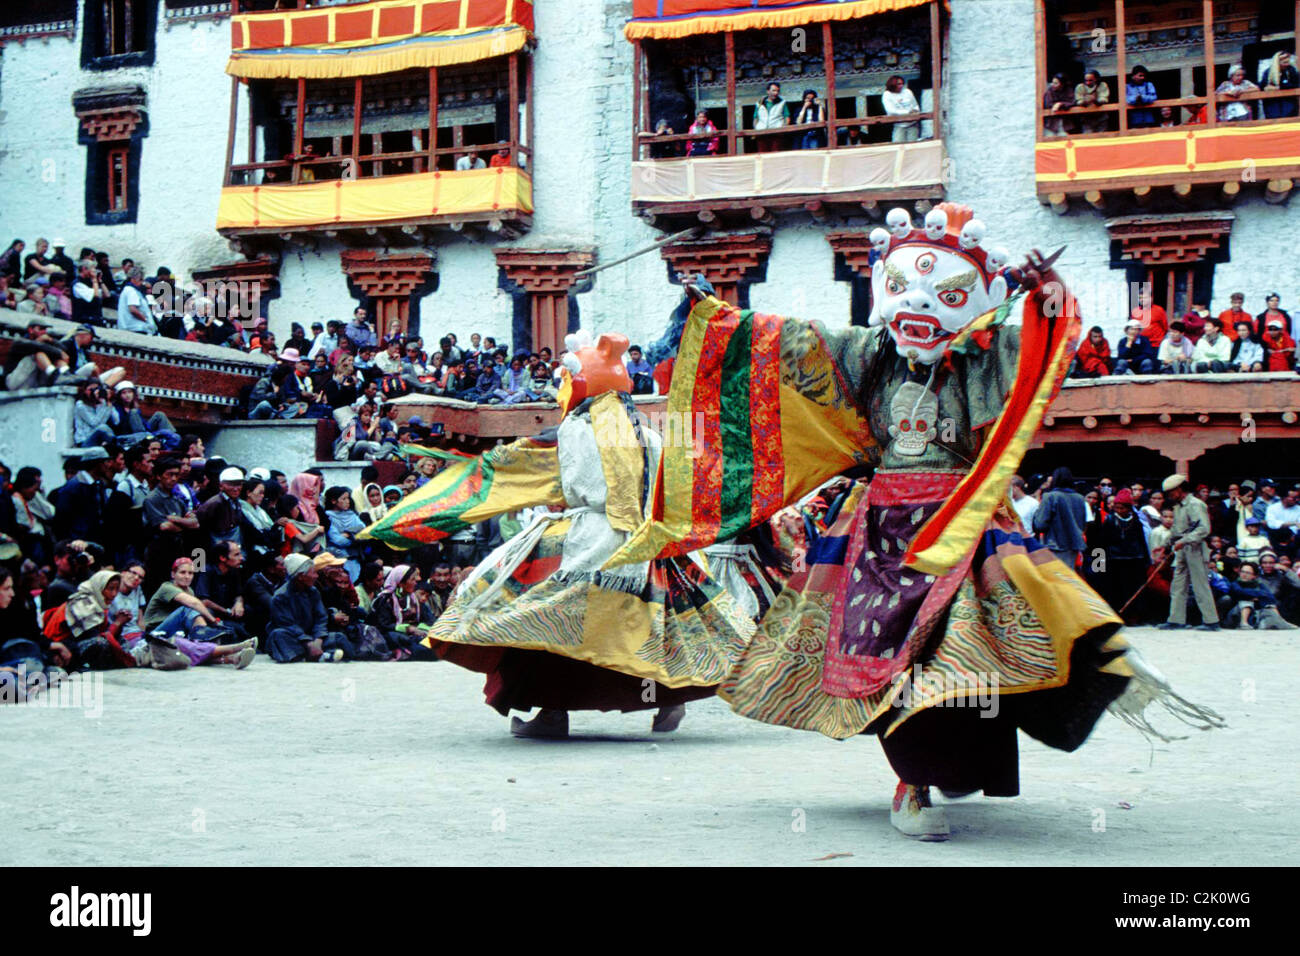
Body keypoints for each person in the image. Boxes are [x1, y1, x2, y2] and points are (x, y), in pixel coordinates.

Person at [364, 328, 756, 740]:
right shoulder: (651, 432)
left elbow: (570, 483)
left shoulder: (576, 428)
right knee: (648, 622)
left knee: (549, 621)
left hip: (592, 537)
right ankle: (667, 699)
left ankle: (552, 713)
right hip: (647, 540)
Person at [266, 553, 355, 663]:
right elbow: (288, 625)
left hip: (314, 637)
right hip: (295, 638)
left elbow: (321, 618)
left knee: (339, 637)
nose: (316, 576)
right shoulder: (280, 597)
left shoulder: (313, 591)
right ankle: (318, 655)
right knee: (278, 635)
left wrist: (318, 640)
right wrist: (308, 643)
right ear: (301, 576)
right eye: (313, 572)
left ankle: (310, 655)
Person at [1159, 474, 1219, 630]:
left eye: (1171, 492)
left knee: (1200, 585)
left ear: (1179, 489)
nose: (1169, 495)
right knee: (1178, 584)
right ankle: (1176, 619)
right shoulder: (1178, 506)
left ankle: (1211, 621)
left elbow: (1204, 529)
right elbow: (1176, 529)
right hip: (1183, 548)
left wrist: (1183, 541)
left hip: (1196, 548)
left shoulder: (1195, 504)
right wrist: (1166, 544)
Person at [1098, 488, 1150, 623]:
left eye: (1122, 508)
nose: (1119, 511)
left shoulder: (1136, 521)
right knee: (1115, 589)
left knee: (1132, 589)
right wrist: (1098, 564)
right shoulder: (1109, 520)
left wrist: (1146, 558)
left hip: (1134, 559)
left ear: (1129, 508)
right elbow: (1101, 542)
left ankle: (1133, 616)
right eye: (1117, 508)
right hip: (1114, 560)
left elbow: (1141, 541)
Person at [1033, 466, 1088, 567]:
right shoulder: (1080, 498)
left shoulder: (1050, 496)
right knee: (1068, 579)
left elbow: (1040, 524)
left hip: (1054, 546)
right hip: (1074, 546)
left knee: (1054, 579)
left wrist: (1036, 515)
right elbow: (1083, 524)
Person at [1224, 562, 1295, 629]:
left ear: (1254, 576)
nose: (1244, 574)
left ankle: (1282, 621)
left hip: (1256, 613)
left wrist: (1257, 596)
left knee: (1270, 606)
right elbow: (1240, 591)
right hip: (1236, 615)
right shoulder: (1235, 583)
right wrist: (1256, 595)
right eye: (1242, 572)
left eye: (1248, 573)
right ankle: (1244, 623)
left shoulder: (1259, 584)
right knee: (1246, 601)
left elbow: (1269, 596)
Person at [323, 486, 366, 581]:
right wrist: (355, 537)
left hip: (355, 556)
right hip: (338, 557)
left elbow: (363, 530)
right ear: (334, 501)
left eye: (348, 498)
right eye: (344, 499)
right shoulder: (328, 517)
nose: (348, 501)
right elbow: (338, 540)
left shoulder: (351, 514)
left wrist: (348, 534)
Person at [116, 268, 157, 335]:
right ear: (133, 279)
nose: (142, 282)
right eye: (140, 279)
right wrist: (146, 320)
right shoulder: (131, 291)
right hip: (135, 328)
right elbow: (133, 309)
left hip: (133, 327)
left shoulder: (131, 290)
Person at [1260, 50, 1299, 118]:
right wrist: (1266, 88)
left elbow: (1296, 84)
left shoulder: (1291, 70)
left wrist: (1279, 87)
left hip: (1288, 104)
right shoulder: (1268, 72)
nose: (1286, 60)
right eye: (1282, 59)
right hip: (1272, 105)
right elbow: (1262, 86)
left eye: (1287, 58)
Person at [882, 75, 921, 142]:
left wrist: (916, 112)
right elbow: (890, 111)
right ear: (893, 84)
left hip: (912, 123)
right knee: (898, 144)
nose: (901, 86)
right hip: (899, 125)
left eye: (902, 83)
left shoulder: (908, 92)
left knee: (913, 145)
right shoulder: (887, 94)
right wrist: (908, 112)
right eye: (899, 84)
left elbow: (915, 106)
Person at [752, 82, 789, 152]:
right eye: (774, 90)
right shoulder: (759, 103)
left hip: (776, 133)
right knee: (762, 154)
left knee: (775, 153)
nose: (776, 93)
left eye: (778, 91)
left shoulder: (782, 103)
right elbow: (755, 118)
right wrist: (756, 129)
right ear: (768, 91)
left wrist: (783, 129)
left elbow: (787, 117)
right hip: (762, 133)